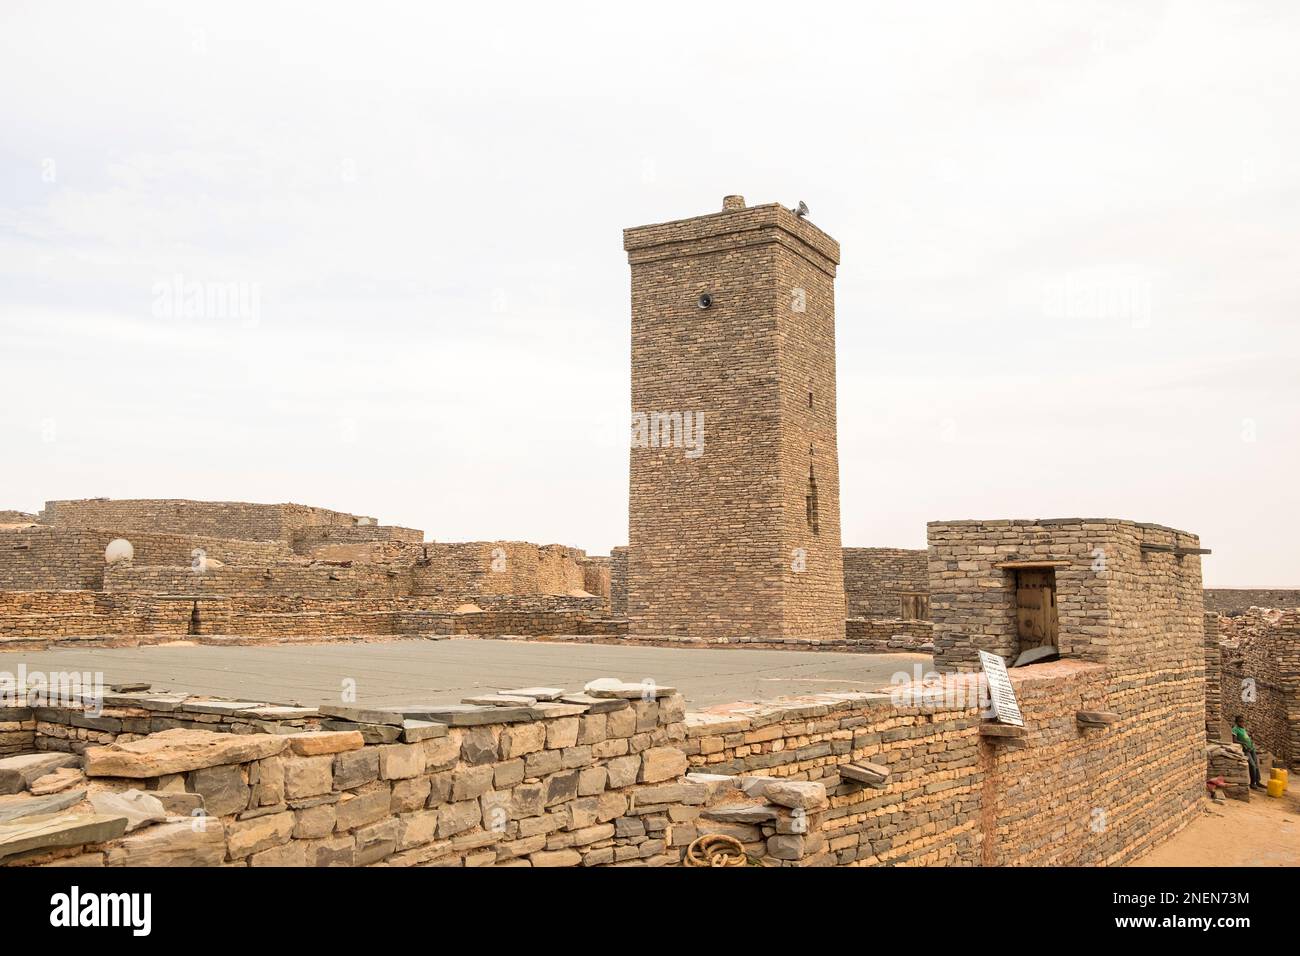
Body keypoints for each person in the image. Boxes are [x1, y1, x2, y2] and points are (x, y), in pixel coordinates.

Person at [1232, 715, 1266, 790]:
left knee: (1256, 765)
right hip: (1245, 749)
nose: (1242, 723)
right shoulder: (1235, 729)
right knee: (1252, 765)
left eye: (1243, 721)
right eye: (1240, 721)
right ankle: (1252, 783)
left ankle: (1258, 781)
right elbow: (1234, 741)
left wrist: (1251, 743)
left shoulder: (1243, 728)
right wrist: (1243, 744)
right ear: (1236, 722)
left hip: (1251, 748)